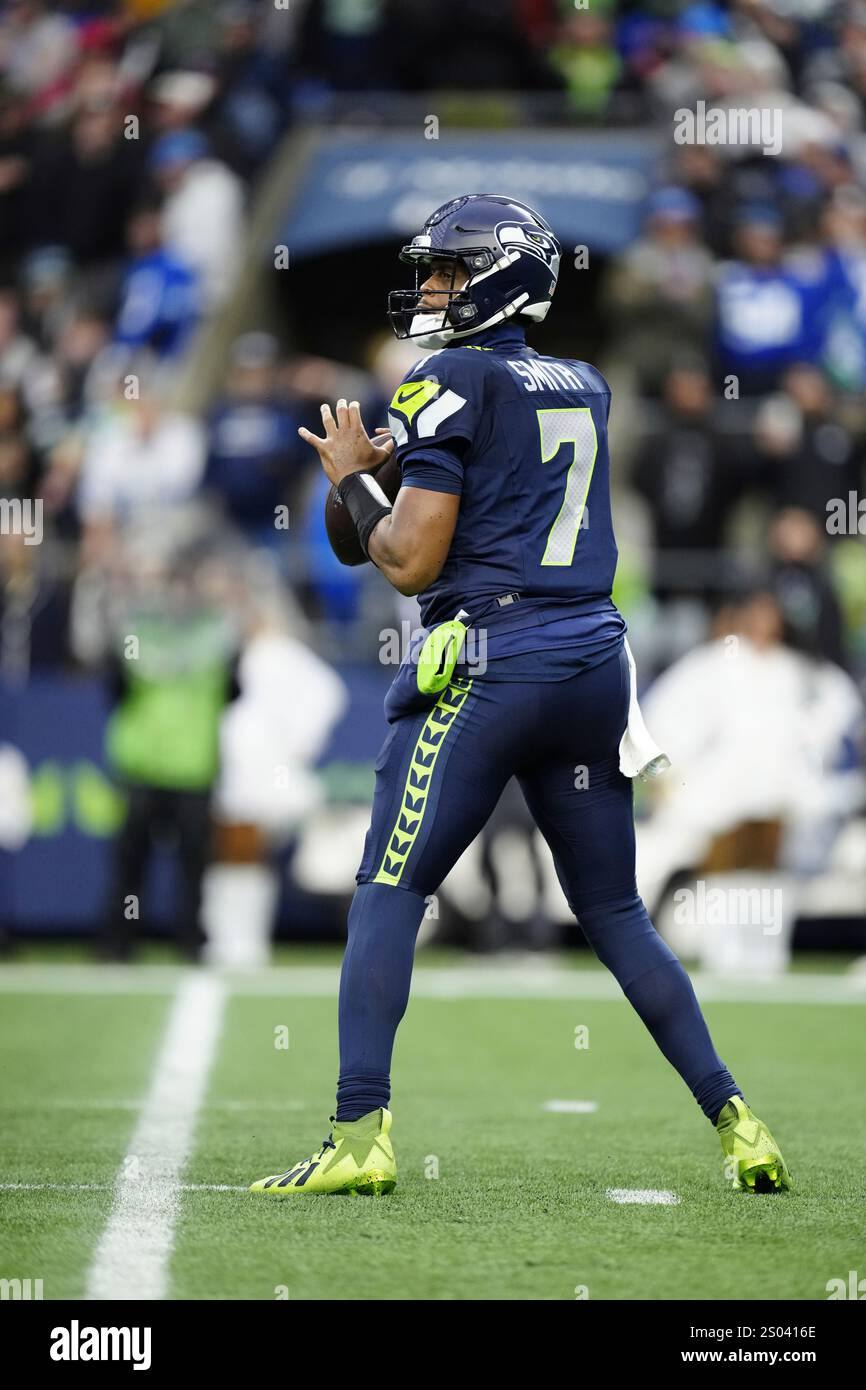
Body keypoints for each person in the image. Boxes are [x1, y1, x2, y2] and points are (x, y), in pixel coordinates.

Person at [249, 194, 790, 1198]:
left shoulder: (445, 376)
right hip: (591, 658)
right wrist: (360, 479)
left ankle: (359, 1131)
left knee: (387, 889)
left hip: (496, 658)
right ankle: (738, 1120)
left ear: (496, 276)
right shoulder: (579, 379)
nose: (431, 290)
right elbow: (359, 530)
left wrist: (358, 479)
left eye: (447, 272)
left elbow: (405, 560)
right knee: (615, 911)